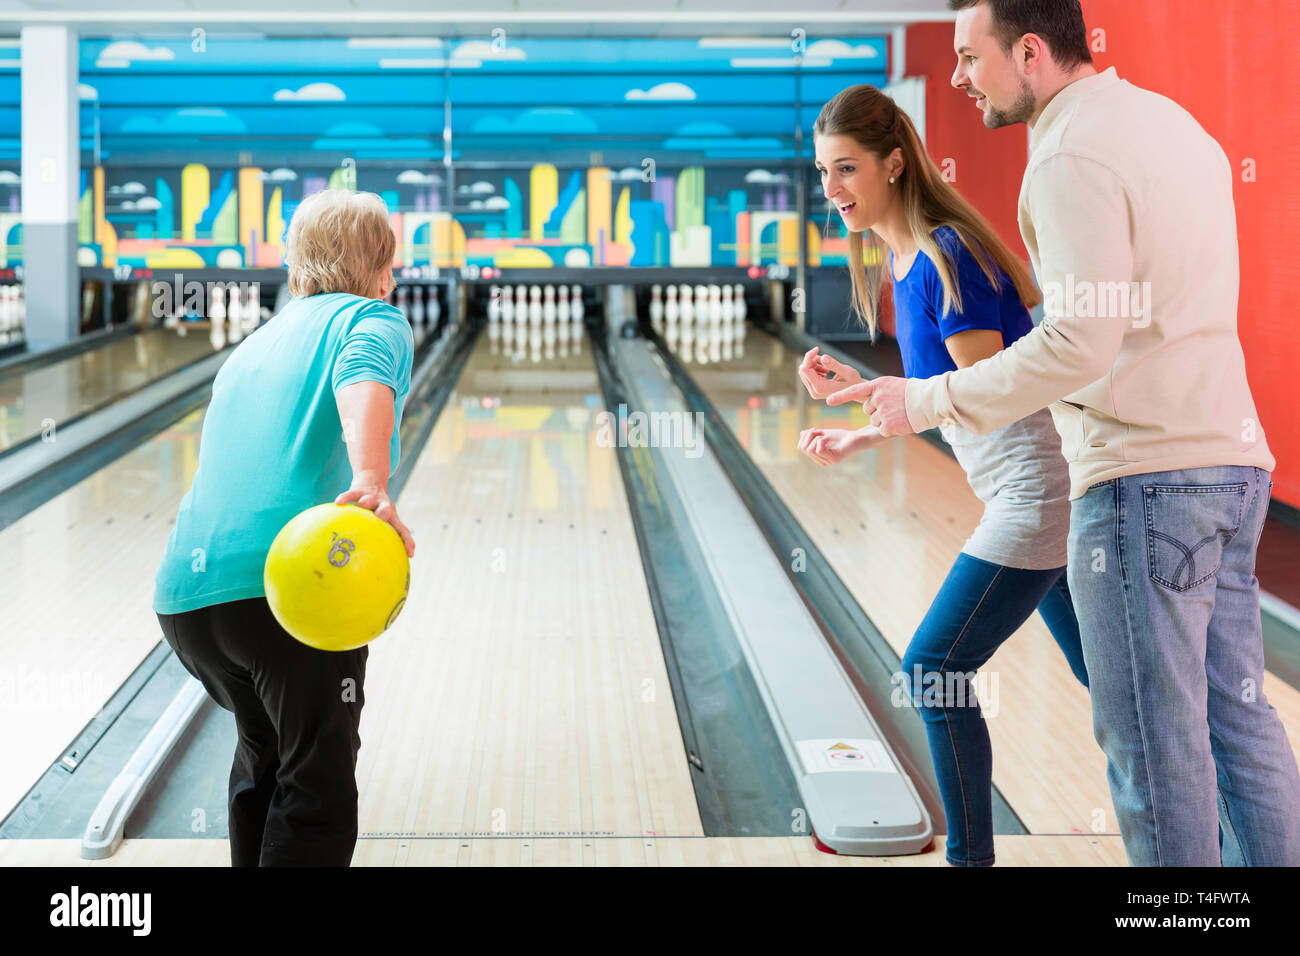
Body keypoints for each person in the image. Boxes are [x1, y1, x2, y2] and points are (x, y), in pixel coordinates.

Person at [830, 0, 1300, 866]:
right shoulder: (1179, 131)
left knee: (1155, 747)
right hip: (1233, 466)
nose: (960, 80)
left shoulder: (1065, 157)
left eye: (970, 59)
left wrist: (925, 404)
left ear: (1032, 52)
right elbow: (1116, 315)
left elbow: (1079, 344)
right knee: (1235, 722)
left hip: (1142, 479)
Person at [797, 83, 1088, 867]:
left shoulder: (941, 256)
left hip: (1036, 492)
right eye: (823, 172)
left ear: (894, 163)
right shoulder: (903, 260)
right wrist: (862, 425)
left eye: (847, 170)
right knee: (1110, 685)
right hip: (1027, 490)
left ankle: (970, 860)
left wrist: (894, 405)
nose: (832, 191)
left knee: (931, 671)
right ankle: (1229, 826)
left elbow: (988, 392)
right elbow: (945, 402)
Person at [152, 188, 417, 866]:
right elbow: (361, 380)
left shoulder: (255, 342)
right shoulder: (375, 320)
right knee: (316, 786)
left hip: (190, 598)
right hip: (292, 592)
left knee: (264, 757)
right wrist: (371, 481)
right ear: (381, 265)